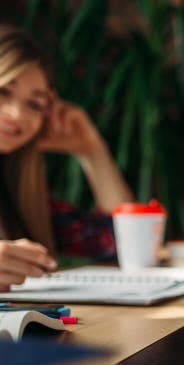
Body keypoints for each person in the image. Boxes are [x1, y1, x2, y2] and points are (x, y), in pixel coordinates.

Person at [0, 25, 132, 291]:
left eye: (35, 104)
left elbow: (120, 241)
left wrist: (92, 150)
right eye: (3, 91)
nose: (17, 114)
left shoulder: (18, 195)